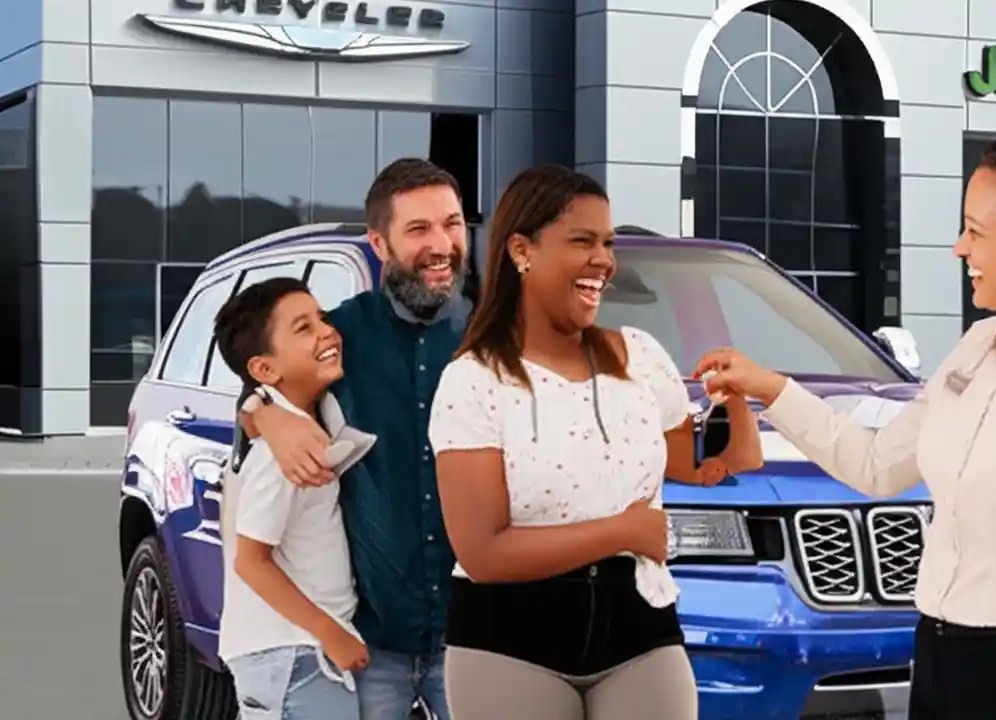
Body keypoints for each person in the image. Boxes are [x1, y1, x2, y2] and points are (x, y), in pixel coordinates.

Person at [693, 132, 996, 720]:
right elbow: (877, 464)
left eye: (976, 231)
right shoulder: (978, 348)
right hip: (943, 659)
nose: (960, 249)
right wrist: (772, 390)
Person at [427, 164, 764, 719]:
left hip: (640, 629)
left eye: (607, 243)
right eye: (581, 241)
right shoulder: (474, 381)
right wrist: (623, 532)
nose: (603, 260)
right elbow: (482, 552)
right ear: (521, 250)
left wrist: (736, 398)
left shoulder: (639, 358)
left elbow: (711, 463)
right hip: (510, 638)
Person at [239, 158, 474, 720]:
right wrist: (266, 416)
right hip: (365, 645)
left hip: (472, 637)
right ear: (379, 242)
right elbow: (260, 388)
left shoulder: (491, 340)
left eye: (453, 223)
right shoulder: (337, 337)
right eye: (418, 230)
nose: (441, 244)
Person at [214, 277, 376, 719]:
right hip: (294, 655)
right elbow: (251, 560)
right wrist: (331, 633)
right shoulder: (282, 457)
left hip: (296, 653)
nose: (326, 331)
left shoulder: (304, 429)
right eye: (303, 328)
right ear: (264, 370)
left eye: (322, 318)